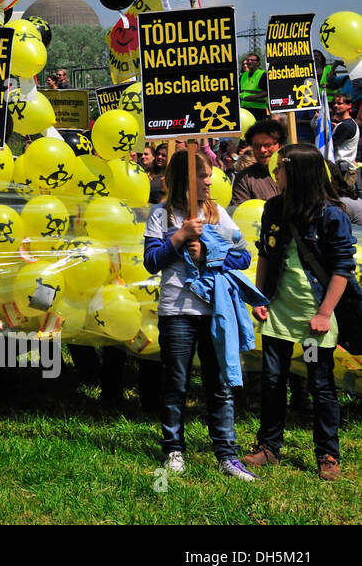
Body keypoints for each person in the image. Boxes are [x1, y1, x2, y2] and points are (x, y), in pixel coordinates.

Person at [143, 148, 257, 481]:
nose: (210, 181)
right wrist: (179, 237)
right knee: (175, 383)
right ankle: (174, 450)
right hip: (177, 311)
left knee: (219, 384)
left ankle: (227, 454)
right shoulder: (161, 217)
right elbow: (152, 262)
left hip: (214, 312)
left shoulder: (218, 213)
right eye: (203, 175)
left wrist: (208, 251)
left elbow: (243, 258)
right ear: (185, 179)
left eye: (209, 175)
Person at [244, 144, 354, 481]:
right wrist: (260, 297)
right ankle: (269, 446)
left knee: (319, 384)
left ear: (298, 172)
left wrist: (324, 313)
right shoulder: (274, 208)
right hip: (278, 314)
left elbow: (341, 269)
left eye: (281, 167)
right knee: (273, 381)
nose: (275, 174)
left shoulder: (332, 214)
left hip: (314, 323)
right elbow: (266, 253)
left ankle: (327, 454)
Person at [229, 118, 285, 207]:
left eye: (267, 145)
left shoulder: (296, 172)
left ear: (280, 145)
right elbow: (240, 213)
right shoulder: (245, 178)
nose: (262, 150)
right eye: (257, 146)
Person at [239, 52, 268, 118]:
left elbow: (267, 91)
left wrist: (254, 97)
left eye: (252, 60)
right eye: (248, 60)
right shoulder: (243, 76)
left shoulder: (262, 75)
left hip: (258, 110)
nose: (249, 61)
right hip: (244, 109)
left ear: (258, 63)